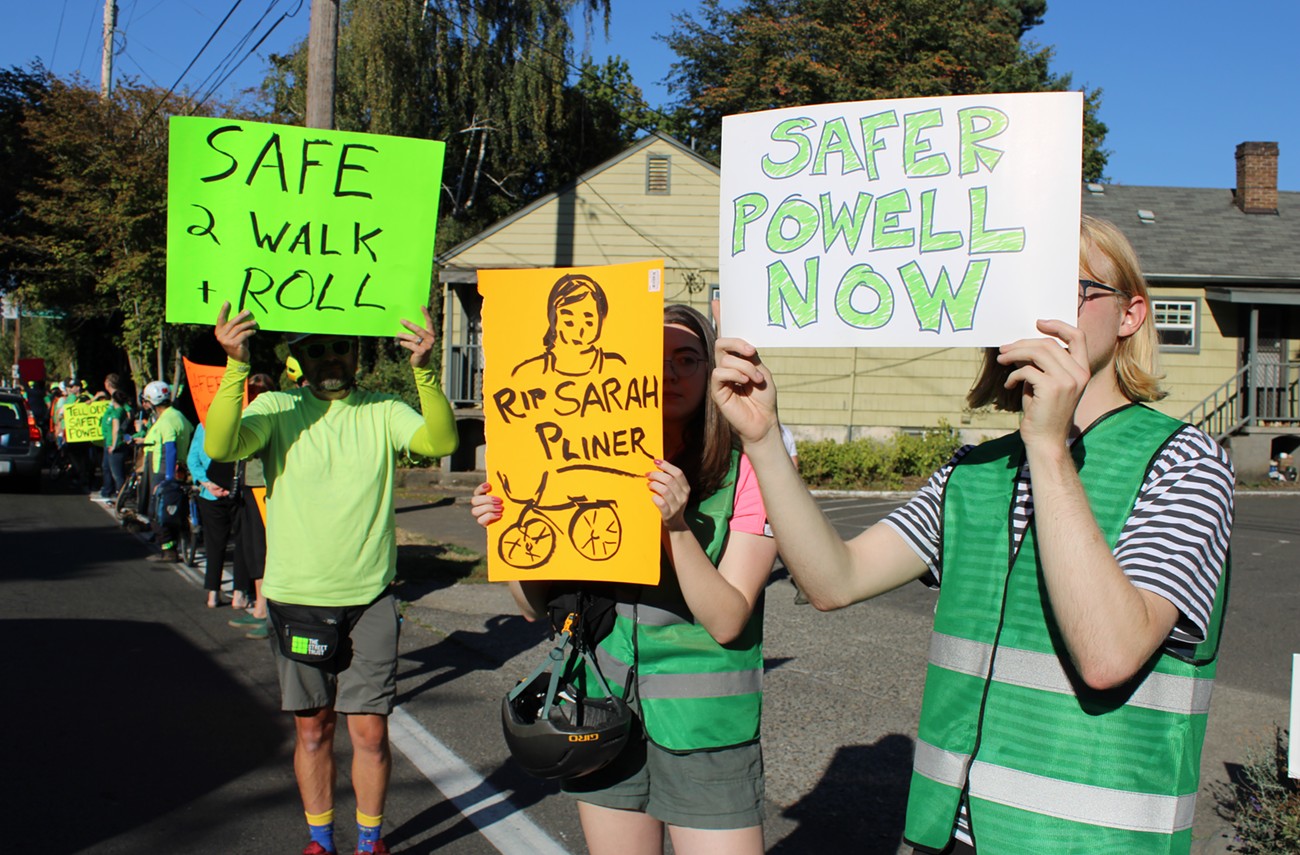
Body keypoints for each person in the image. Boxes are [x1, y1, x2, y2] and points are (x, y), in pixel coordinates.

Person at [711, 215, 1234, 854]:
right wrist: (763, 438)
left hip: (1089, 840)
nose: (1040, 313)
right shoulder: (974, 472)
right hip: (947, 831)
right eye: (1017, 287)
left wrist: (1048, 445)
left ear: (1129, 315)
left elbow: (1108, 656)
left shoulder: (1184, 460)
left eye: (1066, 289)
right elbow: (832, 580)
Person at [473, 304, 778, 855]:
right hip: (600, 710)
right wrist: (507, 531)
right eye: (653, 360)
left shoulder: (751, 467)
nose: (668, 374)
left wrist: (676, 527)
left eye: (686, 360)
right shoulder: (580, 455)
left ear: (711, 370)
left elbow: (728, 619)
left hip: (704, 729)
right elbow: (529, 605)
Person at [207, 302, 458, 855]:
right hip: (297, 599)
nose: (329, 358)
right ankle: (320, 839)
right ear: (296, 357)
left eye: (339, 346)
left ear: (356, 353)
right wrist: (233, 366)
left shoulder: (383, 410)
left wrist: (423, 368)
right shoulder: (275, 407)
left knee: (368, 732)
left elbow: (440, 443)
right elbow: (220, 447)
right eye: (314, 348)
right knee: (313, 729)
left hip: (370, 599)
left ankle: (370, 841)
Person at [227, 372, 277, 640]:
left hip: (261, 486)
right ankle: (259, 607)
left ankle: (266, 610)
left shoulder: (269, 414)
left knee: (263, 547)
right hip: (249, 484)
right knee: (252, 548)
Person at [187, 421, 244, 608]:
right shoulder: (244, 421)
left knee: (215, 543)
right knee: (241, 541)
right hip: (239, 489)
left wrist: (207, 483)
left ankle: (213, 594)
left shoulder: (204, 424)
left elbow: (192, 458)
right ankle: (239, 594)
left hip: (209, 492)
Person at [139, 380, 194, 562]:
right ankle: (175, 545)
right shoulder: (179, 416)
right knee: (173, 509)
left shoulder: (166, 421)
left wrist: (168, 478)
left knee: (158, 512)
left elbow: (170, 448)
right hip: (182, 468)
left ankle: (168, 549)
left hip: (164, 470)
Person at [99, 385, 132, 504]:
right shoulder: (116, 411)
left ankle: (121, 497)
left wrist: (113, 445)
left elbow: (116, 429)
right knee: (108, 467)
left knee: (117, 474)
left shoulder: (117, 413)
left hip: (115, 446)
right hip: (110, 443)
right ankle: (116, 494)